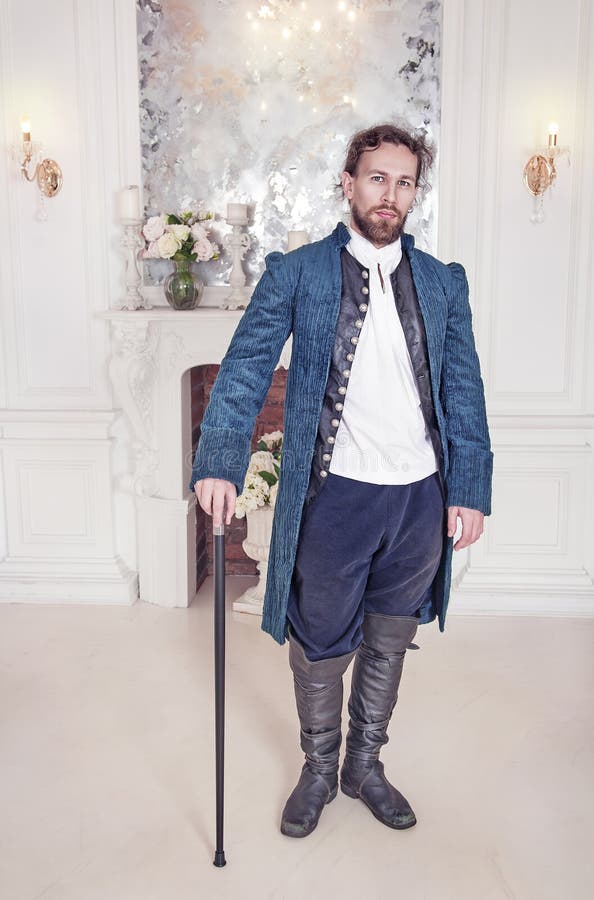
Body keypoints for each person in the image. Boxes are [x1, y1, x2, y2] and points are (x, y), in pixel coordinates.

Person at [190, 123, 493, 839]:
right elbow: (242, 369)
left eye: (405, 181)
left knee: (389, 637)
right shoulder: (298, 272)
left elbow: (464, 388)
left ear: (416, 192)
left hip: (420, 496)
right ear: (349, 184)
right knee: (322, 639)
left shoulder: (444, 282)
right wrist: (218, 463)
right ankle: (320, 769)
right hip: (336, 496)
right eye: (378, 178)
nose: (391, 195)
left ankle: (364, 764)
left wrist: (470, 485)